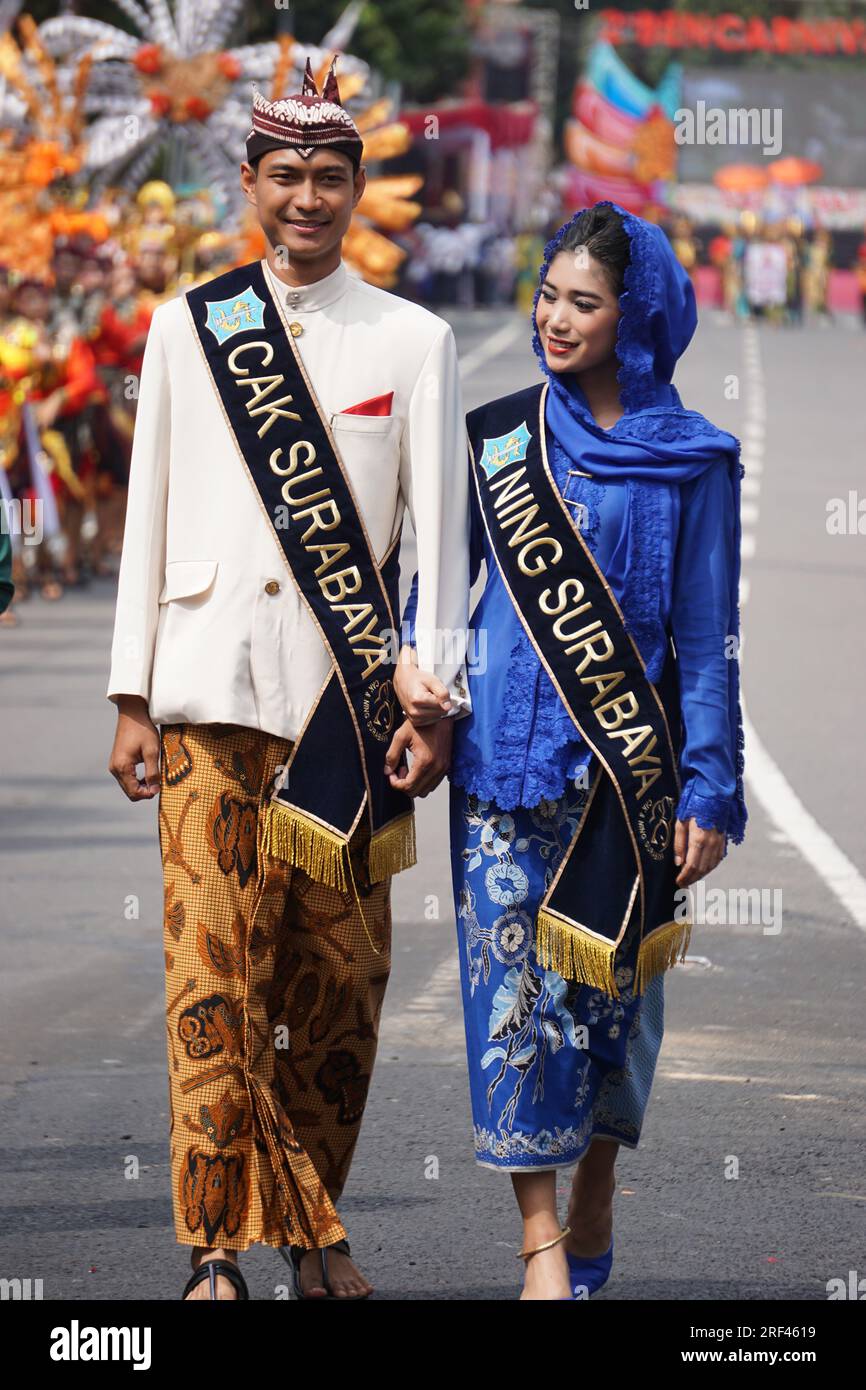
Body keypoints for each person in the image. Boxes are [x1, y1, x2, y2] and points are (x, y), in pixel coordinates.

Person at [106, 60, 470, 1301]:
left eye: (328, 176)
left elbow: (439, 551)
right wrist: (128, 695)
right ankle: (220, 1246)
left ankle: (313, 1211)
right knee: (212, 979)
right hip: (205, 692)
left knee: (336, 991)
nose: (306, 196)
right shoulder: (186, 325)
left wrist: (435, 696)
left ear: (357, 188)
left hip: (354, 715)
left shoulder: (414, 341)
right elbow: (146, 513)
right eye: (285, 176)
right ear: (250, 183)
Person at [399, 201, 747, 1300]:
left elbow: (704, 639)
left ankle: (593, 1191)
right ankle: (540, 1243)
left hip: (625, 784)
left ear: (634, 314)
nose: (553, 319)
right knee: (511, 1002)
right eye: (546, 295)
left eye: (581, 303)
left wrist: (709, 782)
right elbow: (440, 593)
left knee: (605, 1011)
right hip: (502, 769)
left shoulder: (692, 462)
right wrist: (422, 691)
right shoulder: (500, 436)